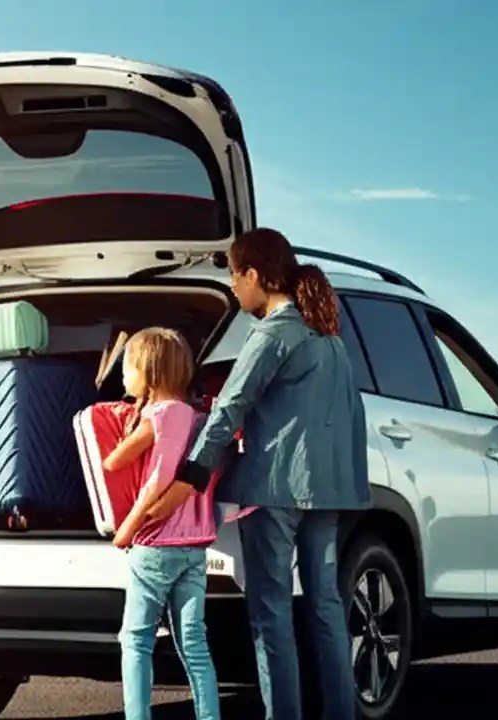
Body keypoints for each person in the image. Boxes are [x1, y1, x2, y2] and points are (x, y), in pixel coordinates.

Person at [153, 228, 372, 720]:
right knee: (326, 608)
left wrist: (192, 473)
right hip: (329, 492)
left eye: (234, 277)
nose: (233, 288)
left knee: (271, 614)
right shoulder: (331, 341)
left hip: (273, 491)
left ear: (252, 274)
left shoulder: (275, 333)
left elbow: (231, 406)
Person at [102, 327, 222, 720]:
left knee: (135, 639)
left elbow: (124, 466)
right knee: (194, 641)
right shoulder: (197, 416)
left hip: (155, 545)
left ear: (149, 373)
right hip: (195, 546)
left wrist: (127, 529)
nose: (123, 375)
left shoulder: (156, 416)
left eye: (129, 367)